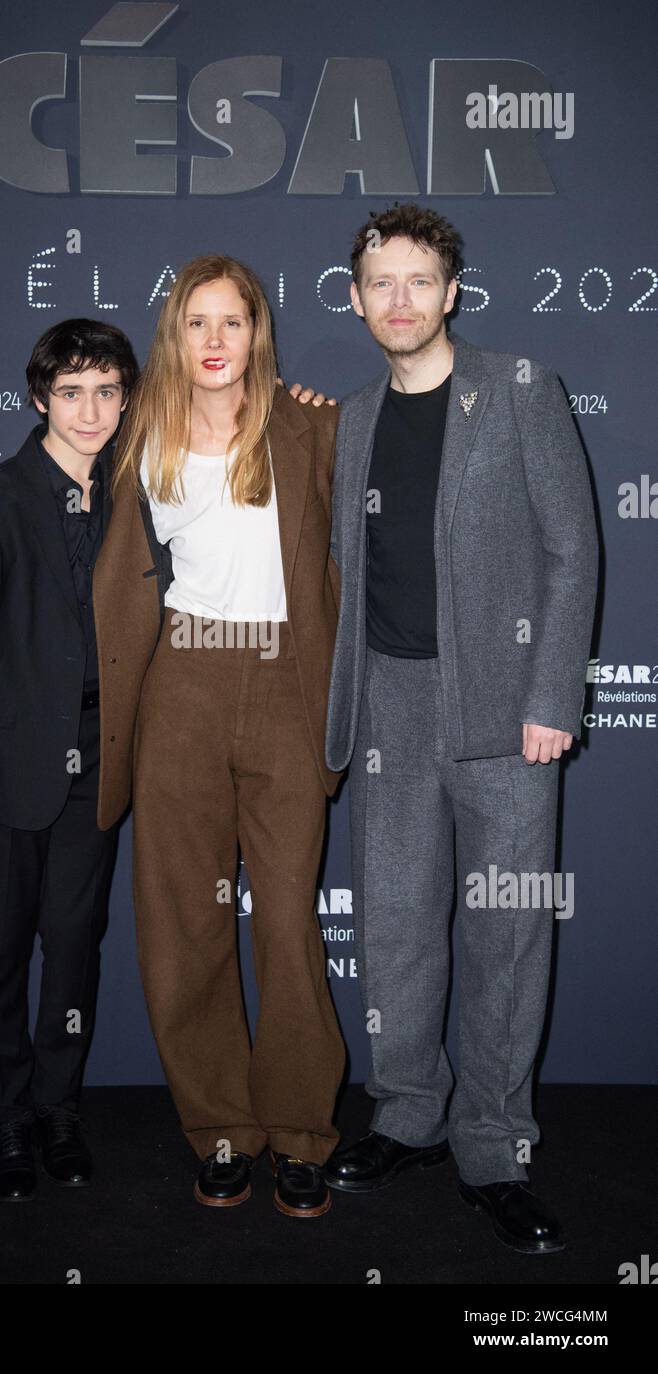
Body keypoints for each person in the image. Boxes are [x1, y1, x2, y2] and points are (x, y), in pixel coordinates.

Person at [322, 203, 599, 1253]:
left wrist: (548, 700)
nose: (397, 300)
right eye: (377, 284)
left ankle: (492, 1144)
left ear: (450, 292)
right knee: (392, 930)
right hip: (385, 702)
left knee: (504, 939)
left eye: (416, 281)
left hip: (502, 710)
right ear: (354, 300)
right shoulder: (349, 417)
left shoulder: (520, 389)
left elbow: (572, 552)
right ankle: (405, 1112)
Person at [92, 254, 345, 1217]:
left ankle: (301, 1133)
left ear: (257, 333)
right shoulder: (139, 433)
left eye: (230, 323)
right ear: (174, 335)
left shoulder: (311, 424)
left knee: (286, 919)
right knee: (185, 924)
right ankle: (222, 1131)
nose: (213, 342)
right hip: (183, 683)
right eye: (195, 323)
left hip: (286, 684)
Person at [0, 319, 137, 1200]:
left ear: (125, 400)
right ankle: (5, 1120)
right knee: (3, 949)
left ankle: (59, 1111)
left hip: (99, 757)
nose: (89, 410)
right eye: (71, 392)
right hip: (7, 763)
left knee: (76, 946)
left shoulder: (137, 503)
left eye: (106, 392)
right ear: (39, 399)